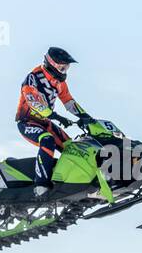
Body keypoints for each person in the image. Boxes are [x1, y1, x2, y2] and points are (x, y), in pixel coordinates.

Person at [16, 46, 93, 195]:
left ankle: (70, 182)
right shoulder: (33, 77)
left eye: (66, 68)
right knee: (47, 140)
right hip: (27, 122)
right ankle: (41, 185)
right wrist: (56, 116)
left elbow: (69, 102)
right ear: (52, 64)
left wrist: (86, 118)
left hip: (45, 123)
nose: (64, 71)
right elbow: (34, 102)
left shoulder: (59, 82)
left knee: (72, 148)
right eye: (62, 67)